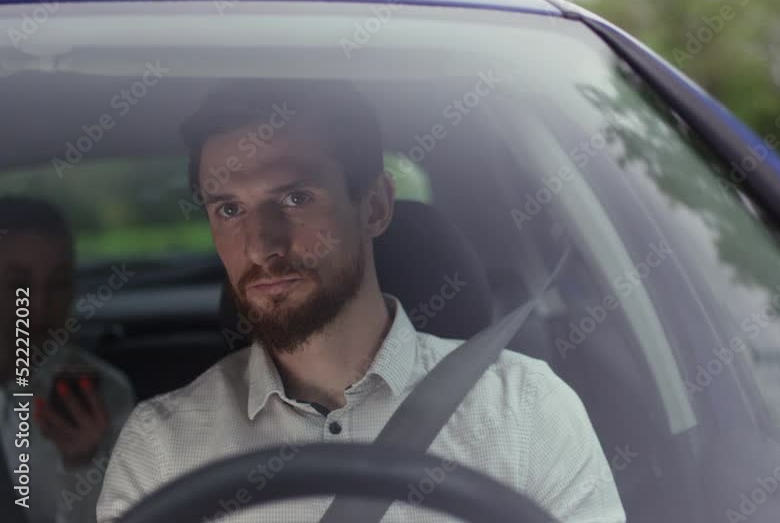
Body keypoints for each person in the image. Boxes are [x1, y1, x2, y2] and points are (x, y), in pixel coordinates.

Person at [96, 81, 626, 522]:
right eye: (229, 209)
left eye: (295, 198)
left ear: (374, 206)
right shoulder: (162, 449)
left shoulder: (526, 413)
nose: (261, 245)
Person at [0, 197, 135, 523]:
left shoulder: (103, 395)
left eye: (58, 283)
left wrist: (82, 464)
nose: (39, 305)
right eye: (19, 283)